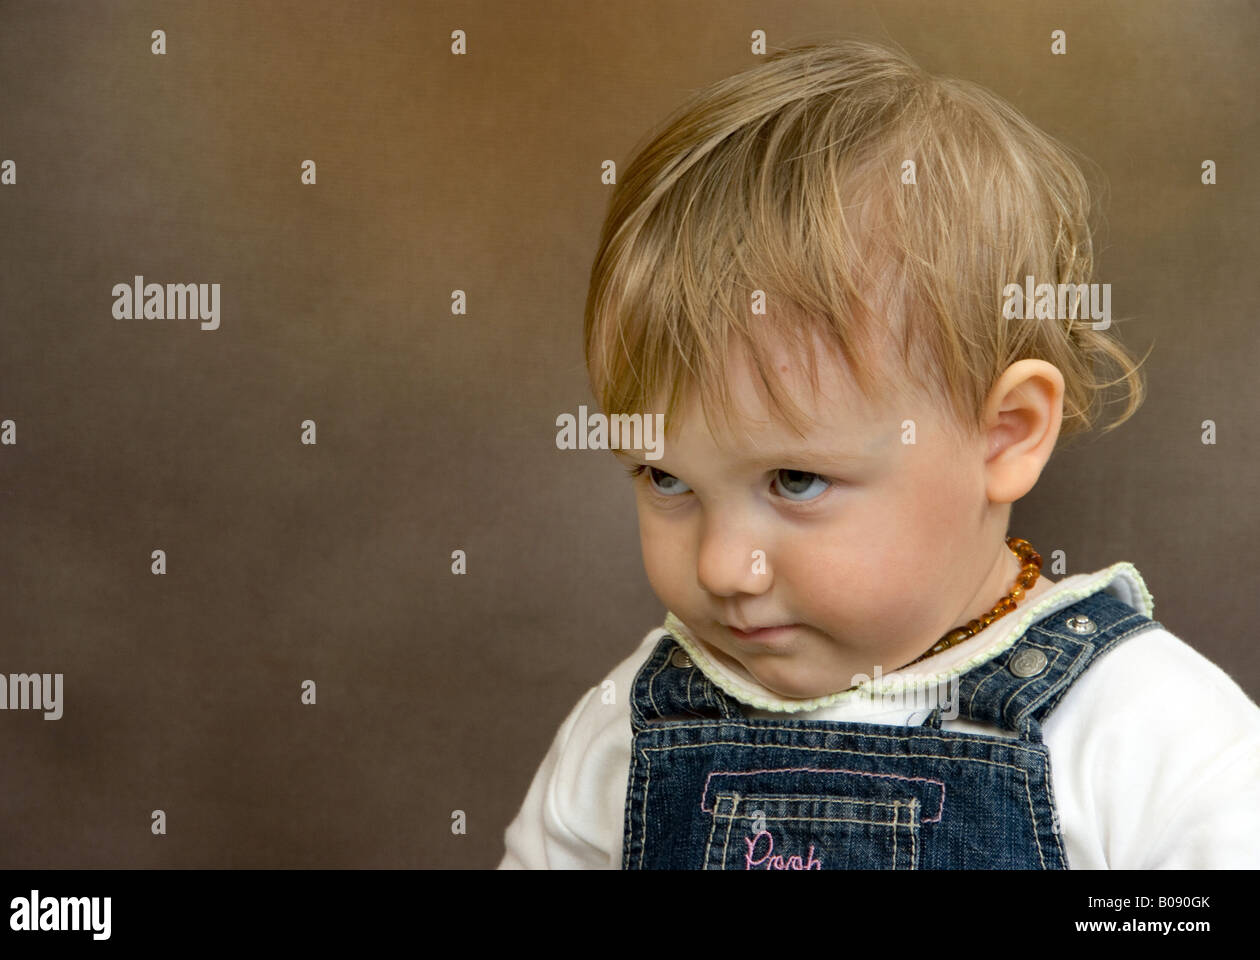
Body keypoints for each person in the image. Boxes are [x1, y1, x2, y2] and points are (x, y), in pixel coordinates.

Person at [498, 38, 1260, 869]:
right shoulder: (637, 728)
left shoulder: (1143, 734)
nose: (723, 567)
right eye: (665, 478)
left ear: (1004, 434)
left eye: (795, 480)